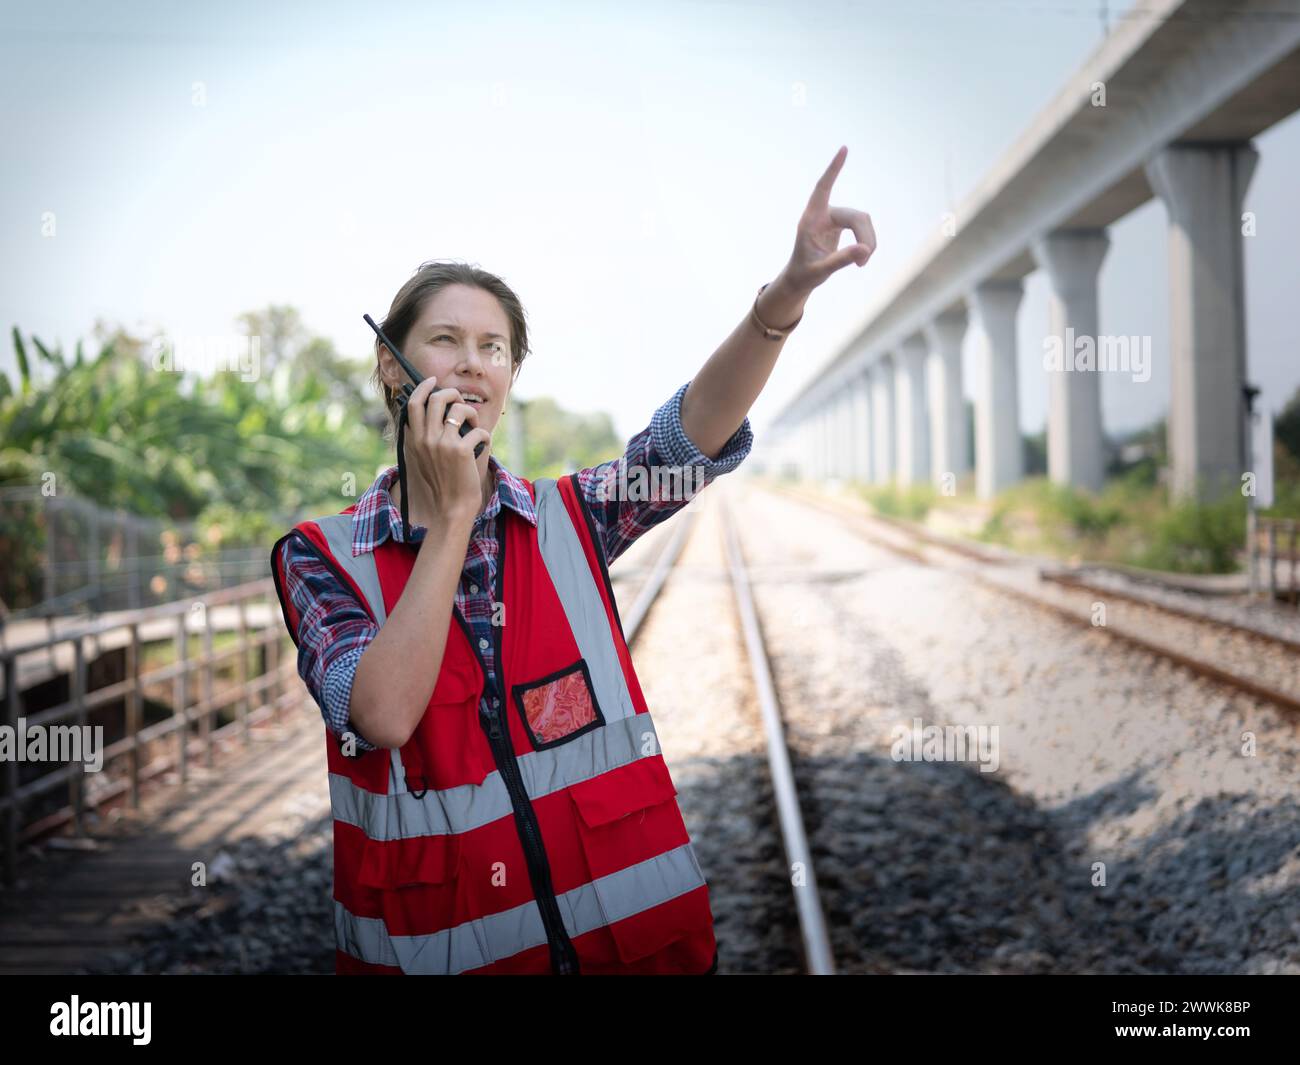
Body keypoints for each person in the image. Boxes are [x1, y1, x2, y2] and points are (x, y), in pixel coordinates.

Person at [270, 146, 875, 974]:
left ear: (512, 373)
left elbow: (686, 436)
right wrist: (451, 520)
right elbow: (381, 716)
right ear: (391, 362)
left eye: (495, 346)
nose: (472, 362)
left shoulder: (569, 518)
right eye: (445, 340)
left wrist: (787, 296)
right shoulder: (320, 559)